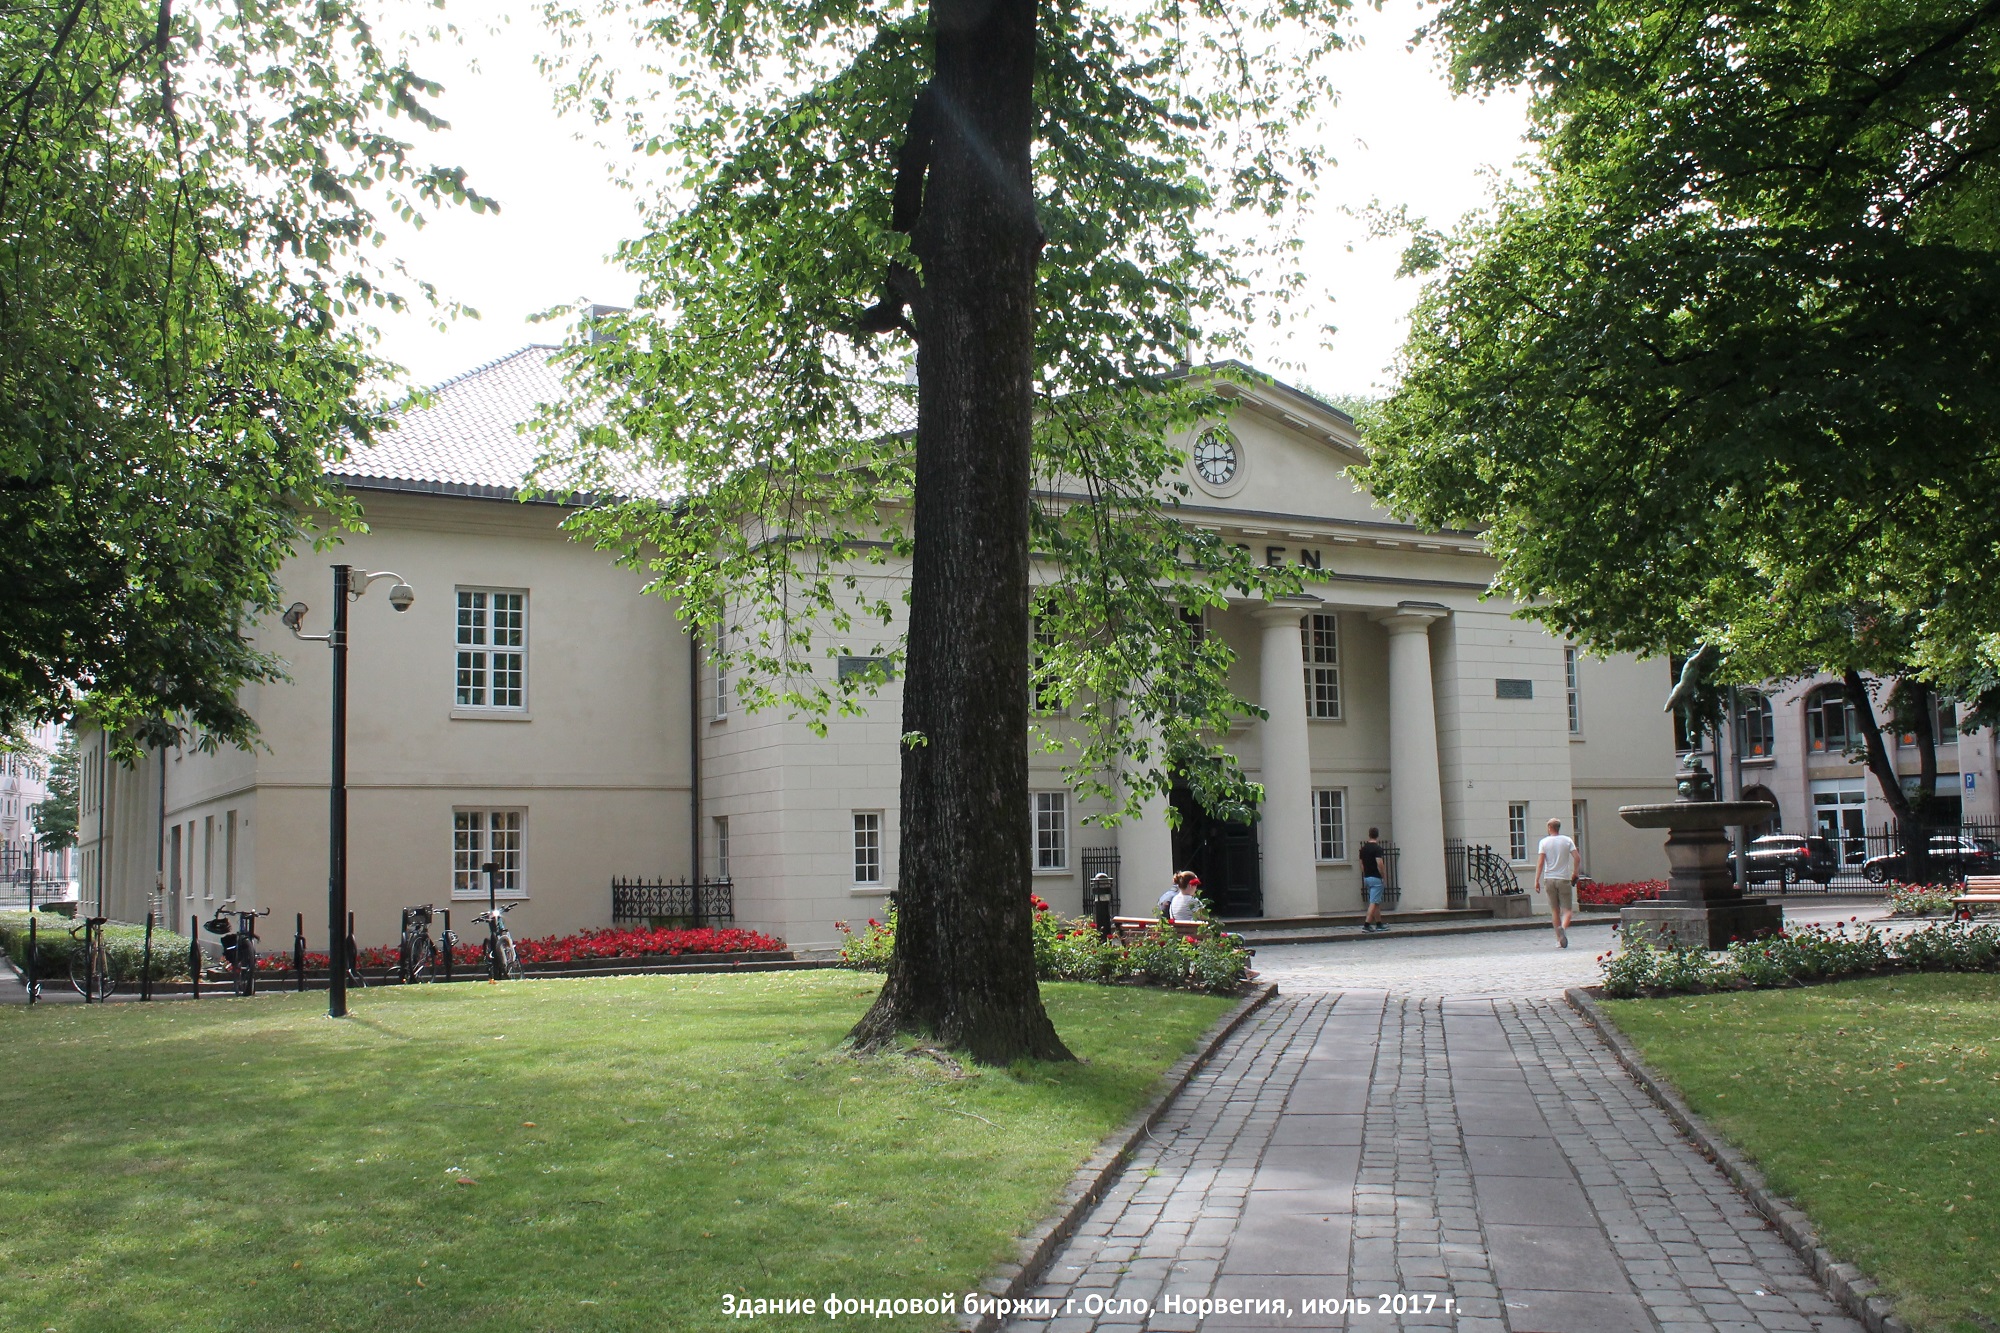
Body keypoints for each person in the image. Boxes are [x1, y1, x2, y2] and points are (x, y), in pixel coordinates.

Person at [1535, 817, 1580, 948]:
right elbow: (1577, 857)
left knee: (1555, 910)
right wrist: (1575, 873)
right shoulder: (1567, 840)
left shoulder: (1544, 842)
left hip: (1549, 878)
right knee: (1567, 911)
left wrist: (1537, 880)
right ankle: (1563, 929)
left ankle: (1559, 940)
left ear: (1549, 828)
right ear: (1558, 827)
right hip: (1564, 878)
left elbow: (1541, 862)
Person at [1359, 828, 1388, 933]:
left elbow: (1361, 864)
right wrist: (1383, 876)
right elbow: (1379, 863)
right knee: (1373, 902)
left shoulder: (1363, 849)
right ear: (1377, 836)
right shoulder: (1377, 849)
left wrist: (1365, 873)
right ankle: (1366, 924)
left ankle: (1379, 924)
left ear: (1369, 835)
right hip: (1376, 877)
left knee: (1376, 902)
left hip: (1367, 877)